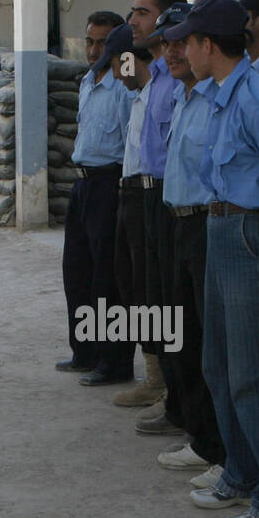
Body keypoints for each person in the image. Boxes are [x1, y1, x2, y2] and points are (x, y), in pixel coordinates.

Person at [164, 0, 259, 518]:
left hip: (247, 230)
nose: (181, 50)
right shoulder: (219, 96)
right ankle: (240, 472)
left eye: (188, 41)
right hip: (219, 227)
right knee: (217, 363)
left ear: (208, 45)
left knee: (250, 374)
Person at [155, 2, 225, 483]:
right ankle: (199, 436)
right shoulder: (183, 98)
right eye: (167, 44)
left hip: (208, 225)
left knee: (208, 342)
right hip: (176, 222)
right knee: (182, 333)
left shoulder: (219, 99)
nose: (173, 52)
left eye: (183, 42)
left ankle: (219, 448)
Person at [120, 0, 188, 409]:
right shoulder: (156, 78)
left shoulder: (180, 80)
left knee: (173, 299)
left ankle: (177, 394)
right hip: (146, 194)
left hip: (171, 198)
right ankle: (159, 379)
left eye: (143, 13)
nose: (133, 21)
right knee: (148, 292)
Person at [58, 11, 135, 383]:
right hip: (83, 184)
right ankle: (84, 352)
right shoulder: (88, 81)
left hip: (110, 184)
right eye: (89, 41)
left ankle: (114, 363)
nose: (93, 49)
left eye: (102, 42)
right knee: (77, 273)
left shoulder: (122, 88)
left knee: (108, 279)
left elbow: (129, 143)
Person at [105, 23, 167, 409]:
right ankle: (153, 372)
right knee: (132, 286)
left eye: (114, 63)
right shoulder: (142, 96)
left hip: (150, 197)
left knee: (150, 289)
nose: (113, 74)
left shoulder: (163, 93)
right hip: (131, 194)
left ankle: (161, 379)